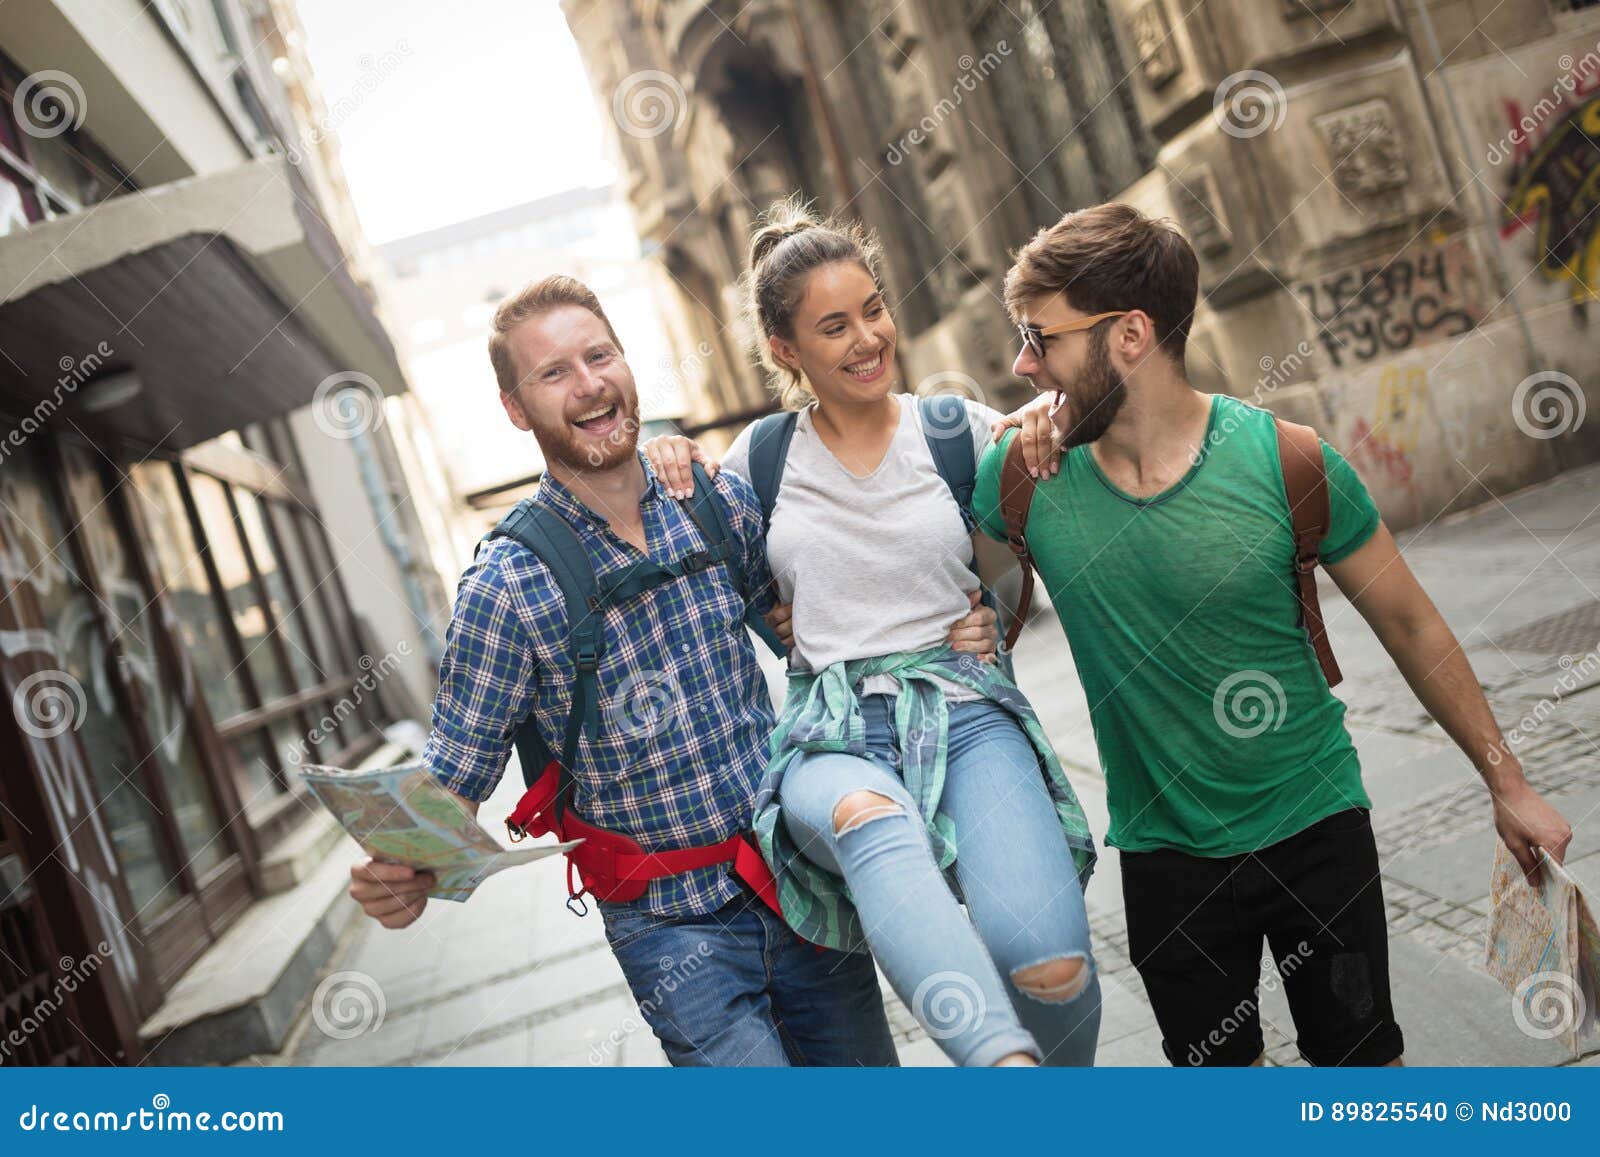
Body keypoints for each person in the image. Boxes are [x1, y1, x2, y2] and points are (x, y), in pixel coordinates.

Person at [976, 202, 1574, 1067]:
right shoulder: (1026, 477)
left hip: (1316, 827)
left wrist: (1506, 780)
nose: (1023, 364)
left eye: (1041, 337)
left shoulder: (1286, 461)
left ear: (1132, 333)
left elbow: (1410, 621)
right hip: (1164, 857)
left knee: (1365, 1079)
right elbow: (924, 547)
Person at [347, 275, 990, 1067]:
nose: (589, 385)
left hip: (799, 880)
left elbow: (826, 623)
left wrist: (961, 618)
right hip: (669, 932)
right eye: (554, 373)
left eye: (599, 355)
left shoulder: (717, 503)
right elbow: (451, 779)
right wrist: (405, 871)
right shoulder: (506, 588)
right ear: (515, 409)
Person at [643, 200, 1100, 1068]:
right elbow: (730, 573)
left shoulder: (954, 429)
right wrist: (670, 455)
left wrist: (996, 610)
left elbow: (1010, 564)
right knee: (868, 816)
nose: (866, 339)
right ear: (786, 350)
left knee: (1050, 966)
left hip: (964, 711)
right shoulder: (759, 459)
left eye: (873, 310)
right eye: (833, 326)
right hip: (832, 732)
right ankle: (1002, 1066)